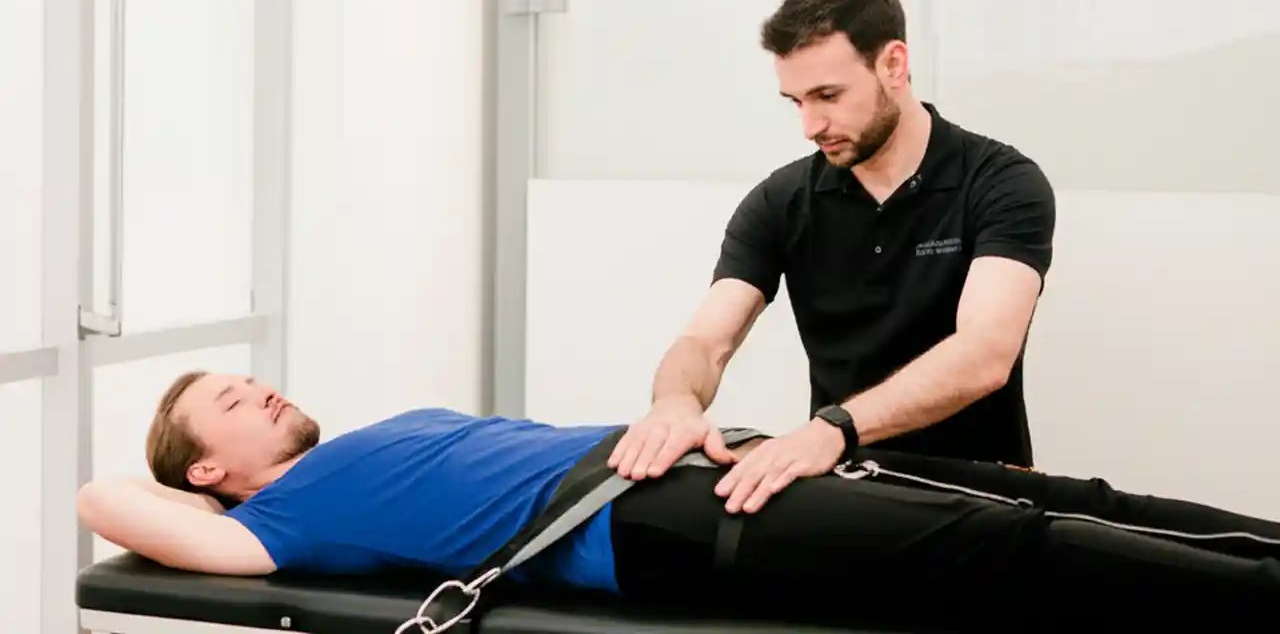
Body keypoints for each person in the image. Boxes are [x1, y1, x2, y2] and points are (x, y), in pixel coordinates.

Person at [78, 371, 1280, 625]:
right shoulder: (273, 523)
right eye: (231, 401)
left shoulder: (373, 436)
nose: (262, 388)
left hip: (710, 458)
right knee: (1003, 543)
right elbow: (101, 497)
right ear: (206, 471)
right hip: (650, 523)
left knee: (1049, 493)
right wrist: (200, 502)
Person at [610, 0, 1057, 514]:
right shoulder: (780, 201)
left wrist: (834, 428)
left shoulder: (1000, 183)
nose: (811, 125)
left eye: (828, 95)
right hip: (846, 496)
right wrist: (675, 402)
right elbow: (705, 342)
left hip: (981, 496)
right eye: (796, 101)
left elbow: (984, 354)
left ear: (893, 64)